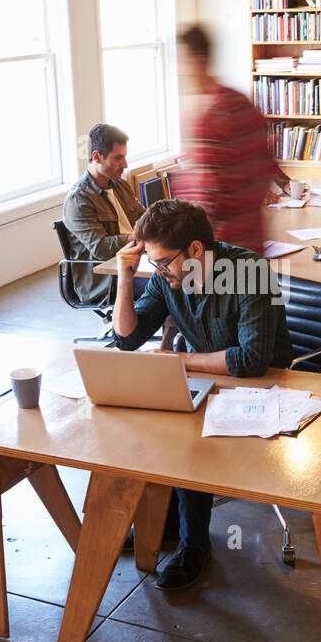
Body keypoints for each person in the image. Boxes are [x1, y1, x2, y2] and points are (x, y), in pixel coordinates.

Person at [112, 199, 292, 590]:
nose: (157, 271)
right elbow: (127, 339)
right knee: (151, 421)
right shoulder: (168, 276)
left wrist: (178, 359)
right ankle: (167, 524)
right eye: (152, 264)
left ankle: (194, 545)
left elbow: (251, 360)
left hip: (267, 390)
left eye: (162, 262)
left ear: (195, 250)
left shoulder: (248, 272)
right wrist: (125, 277)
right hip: (212, 381)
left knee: (188, 436)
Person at [170, 24, 294, 254]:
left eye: (179, 62)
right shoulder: (240, 102)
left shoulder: (208, 117)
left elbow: (207, 196)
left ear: (196, 61)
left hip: (216, 248)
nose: (177, 71)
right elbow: (267, 164)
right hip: (252, 241)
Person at [62, 123, 146, 307]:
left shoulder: (121, 185)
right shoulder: (78, 200)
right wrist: (137, 238)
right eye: (118, 158)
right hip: (105, 281)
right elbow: (100, 248)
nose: (125, 164)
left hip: (135, 262)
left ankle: (176, 333)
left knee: (185, 271)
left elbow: (144, 220)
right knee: (169, 283)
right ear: (96, 157)